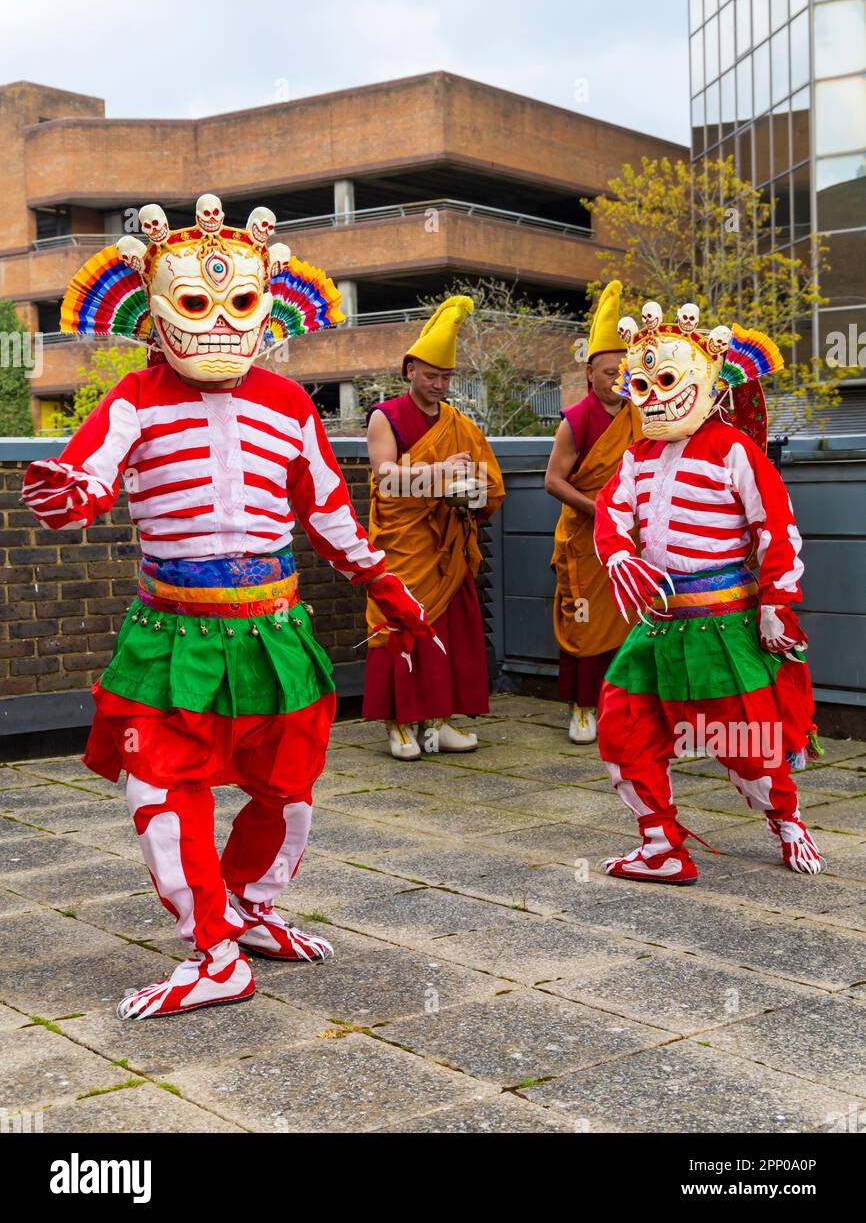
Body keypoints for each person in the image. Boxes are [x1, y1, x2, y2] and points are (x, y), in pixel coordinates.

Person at [21, 196, 434, 1018]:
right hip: (173, 639)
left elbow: (328, 512)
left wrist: (390, 591)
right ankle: (211, 948)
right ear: (153, 304)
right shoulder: (133, 399)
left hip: (275, 633)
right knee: (162, 790)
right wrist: (67, 495)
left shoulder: (288, 404)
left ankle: (247, 907)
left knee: (289, 788)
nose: (217, 322)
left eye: (238, 301)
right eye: (196, 302)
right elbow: (90, 475)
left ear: (267, 305)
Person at [593, 299, 825, 884]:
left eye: (666, 379)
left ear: (704, 381)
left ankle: (787, 819)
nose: (651, 393)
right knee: (623, 730)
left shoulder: (734, 450)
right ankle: (660, 846)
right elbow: (611, 512)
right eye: (641, 382)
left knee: (744, 742)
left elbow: (777, 528)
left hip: (722, 624)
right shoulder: (637, 454)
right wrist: (619, 552)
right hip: (656, 625)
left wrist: (775, 604)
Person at [363, 296, 505, 759]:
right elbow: (385, 476)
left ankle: (438, 721)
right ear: (409, 371)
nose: (439, 385)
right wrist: (441, 471)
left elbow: (487, 485)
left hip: (447, 542)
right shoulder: (386, 416)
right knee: (400, 624)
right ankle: (399, 724)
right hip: (404, 542)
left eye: (445, 377)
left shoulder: (458, 423)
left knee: (449, 627)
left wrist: (469, 490)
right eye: (431, 376)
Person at [545, 281, 642, 743]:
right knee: (584, 622)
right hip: (586, 540)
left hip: (632, 540)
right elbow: (553, 481)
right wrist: (599, 509)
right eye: (609, 372)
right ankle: (582, 708)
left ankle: (622, 706)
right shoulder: (575, 420)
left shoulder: (642, 414)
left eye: (625, 370)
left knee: (632, 620)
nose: (618, 379)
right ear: (590, 372)